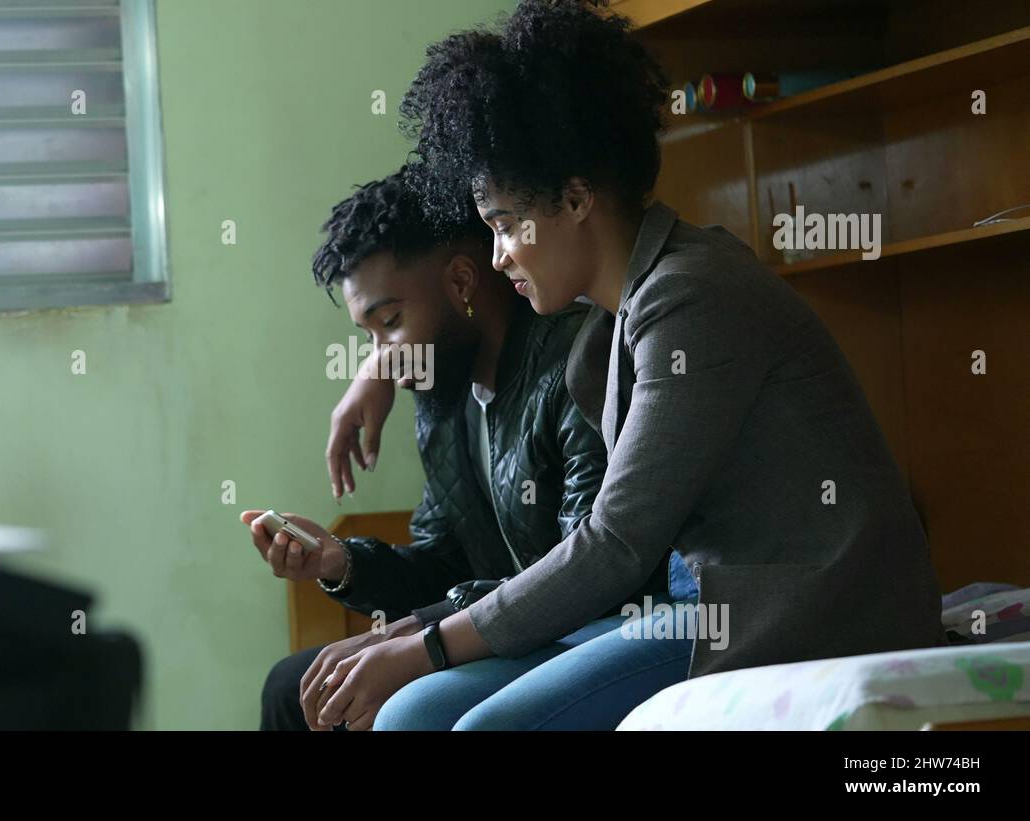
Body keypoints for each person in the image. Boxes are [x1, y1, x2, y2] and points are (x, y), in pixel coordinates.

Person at [309, 0, 945, 731]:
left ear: (576, 197)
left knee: (477, 726)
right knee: (416, 712)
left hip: (789, 610)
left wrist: (429, 641)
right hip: (687, 608)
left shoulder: (690, 296)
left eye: (507, 224)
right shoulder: (614, 321)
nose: (498, 256)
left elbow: (613, 542)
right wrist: (382, 369)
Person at [243, 168, 690, 731]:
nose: (381, 357)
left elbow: (585, 567)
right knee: (293, 686)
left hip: (578, 621)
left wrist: (424, 634)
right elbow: (444, 560)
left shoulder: (575, 366)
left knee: (399, 709)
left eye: (390, 323)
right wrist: (344, 563)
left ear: (460, 282)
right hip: (490, 623)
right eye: (369, 337)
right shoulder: (444, 396)